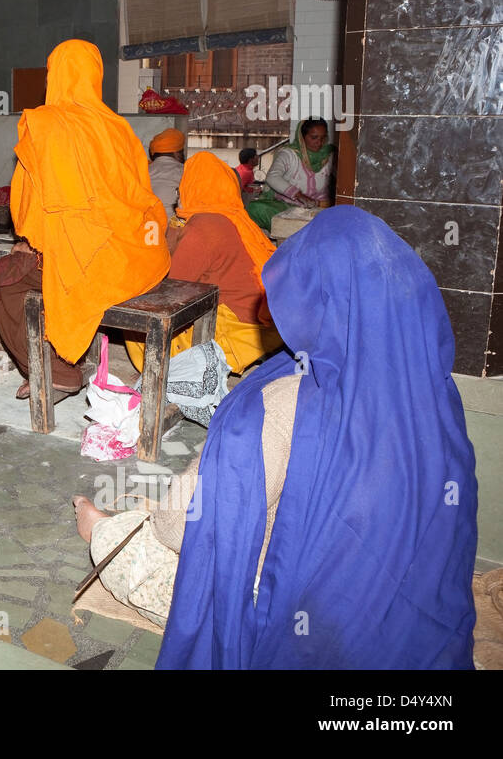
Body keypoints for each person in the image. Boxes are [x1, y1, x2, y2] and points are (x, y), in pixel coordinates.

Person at [79, 207, 479, 668]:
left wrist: (128, 527)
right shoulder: (438, 398)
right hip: (416, 621)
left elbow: (180, 528)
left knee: (127, 537)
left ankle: (100, 528)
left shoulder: (283, 404)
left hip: (309, 626)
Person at [0, 39, 171, 398]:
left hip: (93, 265)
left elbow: (26, 213)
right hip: (142, 258)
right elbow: (136, 197)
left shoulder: (45, 124)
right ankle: (58, 361)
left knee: (5, 279)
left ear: (54, 76)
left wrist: (29, 243)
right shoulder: (121, 129)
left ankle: (56, 372)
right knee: (49, 262)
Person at [125, 152, 282, 375]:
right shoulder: (234, 217)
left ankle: (171, 374)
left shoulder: (204, 227)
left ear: (193, 186)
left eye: (182, 187)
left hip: (237, 333)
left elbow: (173, 288)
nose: (178, 194)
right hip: (266, 329)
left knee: (138, 319)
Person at [245, 118, 335, 230]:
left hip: (319, 210)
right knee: (255, 208)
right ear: (302, 137)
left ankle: (300, 231)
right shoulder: (290, 154)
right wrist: (300, 195)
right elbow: (272, 177)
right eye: (314, 137)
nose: (319, 142)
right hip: (287, 207)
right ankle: (301, 232)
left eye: (323, 138)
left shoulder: (330, 155)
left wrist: (321, 203)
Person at [147, 127, 185, 220]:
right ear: (177, 153)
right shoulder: (186, 171)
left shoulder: (143, 171)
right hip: (176, 228)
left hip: (146, 228)